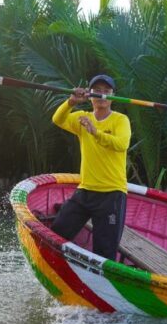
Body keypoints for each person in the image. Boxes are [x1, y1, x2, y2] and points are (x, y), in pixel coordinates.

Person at [50, 74, 131, 260]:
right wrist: (71, 102)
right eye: (97, 91)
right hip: (85, 190)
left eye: (106, 91)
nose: (102, 94)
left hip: (112, 193)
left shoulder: (121, 120)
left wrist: (95, 132)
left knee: (105, 252)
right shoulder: (82, 118)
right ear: (90, 95)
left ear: (113, 95)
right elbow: (58, 119)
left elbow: (121, 144)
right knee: (56, 233)